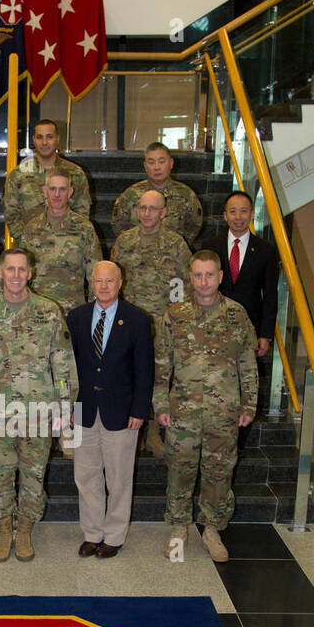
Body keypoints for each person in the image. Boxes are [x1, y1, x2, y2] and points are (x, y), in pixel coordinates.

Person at [0, 248, 77, 563]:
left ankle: (25, 528)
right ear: (0, 272)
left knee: (34, 474)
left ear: (30, 272)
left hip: (38, 413)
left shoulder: (50, 312)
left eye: (21, 269)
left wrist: (65, 407)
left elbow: (63, 363)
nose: (15, 275)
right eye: (10, 269)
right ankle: (3, 528)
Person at [154, 250, 258, 564]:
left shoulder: (236, 314)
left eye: (209, 274)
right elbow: (162, 364)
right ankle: (179, 526)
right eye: (198, 275)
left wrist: (249, 403)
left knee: (219, 471)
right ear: (191, 277)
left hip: (224, 411)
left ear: (220, 276)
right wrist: (160, 403)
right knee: (180, 469)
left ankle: (212, 528)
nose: (203, 282)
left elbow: (247, 362)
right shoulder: (175, 315)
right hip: (183, 410)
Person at [67, 261, 153, 558]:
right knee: (85, 476)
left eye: (110, 281)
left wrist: (140, 409)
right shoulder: (76, 317)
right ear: (92, 283)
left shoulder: (137, 320)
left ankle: (114, 535)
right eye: (99, 281)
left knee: (118, 478)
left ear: (121, 283)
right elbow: (68, 365)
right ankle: (92, 533)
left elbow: (145, 370)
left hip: (122, 411)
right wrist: (66, 406)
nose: (104, 286)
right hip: (82, 409)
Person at [110, 188, 191, 457]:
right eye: (143, 208)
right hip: (128, 324)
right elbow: (112, 282)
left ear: (163, 212)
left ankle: (154, 432)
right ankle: (129, 432)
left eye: (153, 208)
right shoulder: (125, 241)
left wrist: (179, 318)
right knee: (126, 377)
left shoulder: (175, 244)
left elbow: (187, 283)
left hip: (161, 324)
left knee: (157, 378)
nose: (146, 214)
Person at [203, 191, 279, 359]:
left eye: (244, 211)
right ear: (225, 215)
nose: (238, 216)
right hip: (214, 323)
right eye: (233, 211)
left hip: (250, 326)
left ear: (252, 214)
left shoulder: (266, 250)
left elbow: (270, 296)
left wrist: (265, 334)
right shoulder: (210, 246)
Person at [22, 167, 102, 313]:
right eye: (52, 189)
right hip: (38, 313)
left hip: (74, 311)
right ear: (44, 191)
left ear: (70, 192)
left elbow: (95, 275)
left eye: (62, 189)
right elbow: (22, 273)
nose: (57, 194)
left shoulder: (84, 229)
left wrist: (94, 312)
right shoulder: (31, 229)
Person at [3, 118, 90, 242]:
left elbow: (82, 213)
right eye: (39, 137)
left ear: (57, 139)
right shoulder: (18, 175)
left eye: (49, 137)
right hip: (31, 248)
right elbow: (11, 215)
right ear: (33, 140)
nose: (44, 142)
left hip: (67, 247)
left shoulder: (75, 173)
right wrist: (28, 239)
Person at [111, 142, 203, 249]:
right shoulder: (130, 195)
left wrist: (176, 246)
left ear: (171, 163)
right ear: (145, 166)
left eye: (161, 161)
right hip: (136, 256)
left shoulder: (186, 195)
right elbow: (119, 225)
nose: (157, 167)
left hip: (172, 255)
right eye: (151, 162)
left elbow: (194, 226)